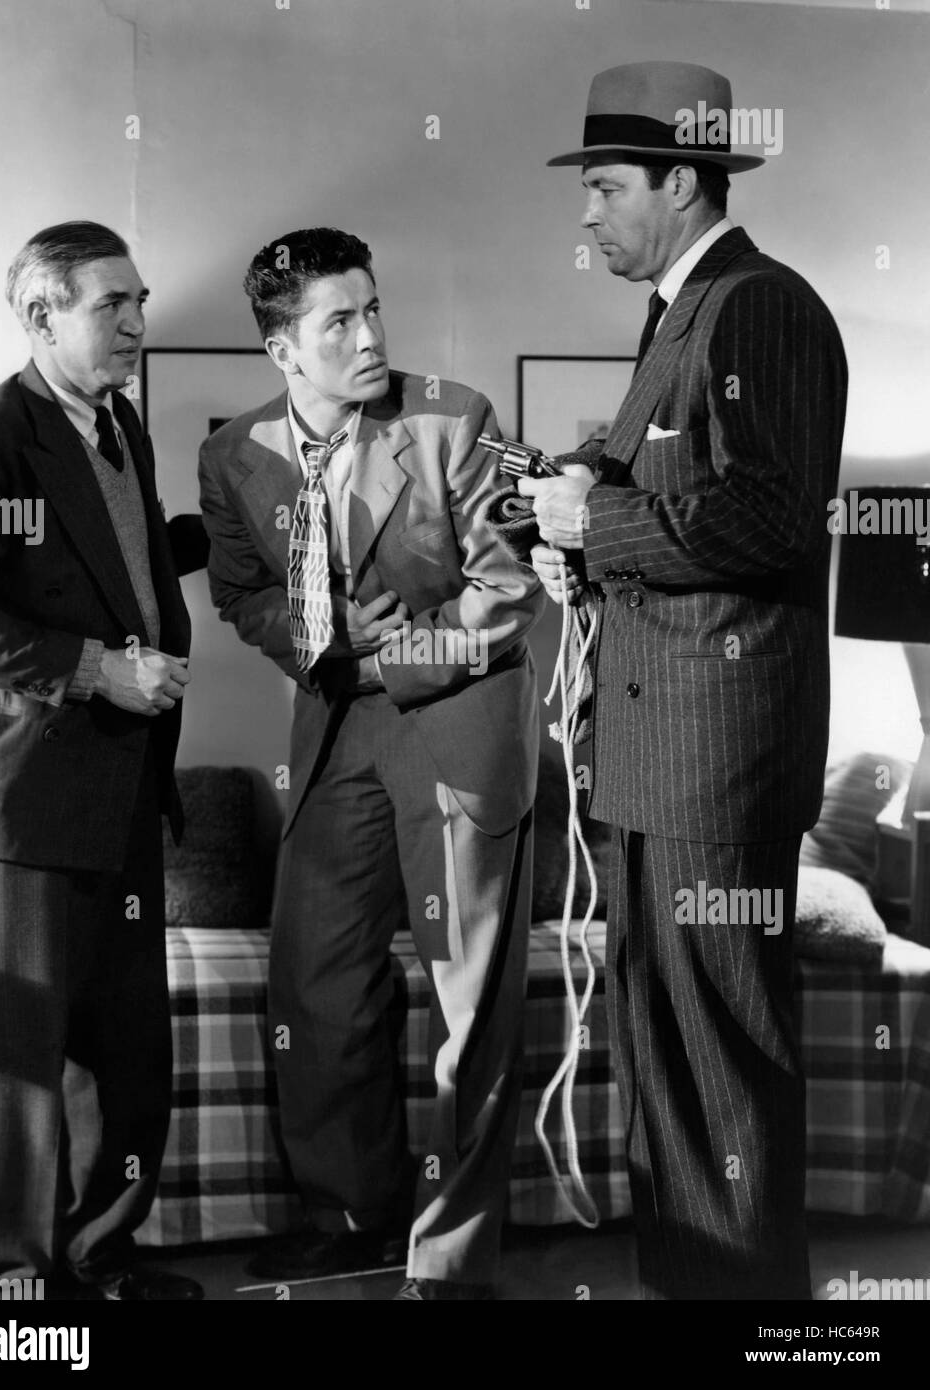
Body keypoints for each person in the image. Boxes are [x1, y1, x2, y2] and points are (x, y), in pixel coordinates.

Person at [521, 62, 848, 1300]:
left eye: (606, 186)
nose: (587, 213)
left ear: (680, 179)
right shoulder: (681, 312)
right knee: (662, 1049)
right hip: (663, 757)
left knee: (716, 1052)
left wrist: (591, 526)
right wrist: (571, 510)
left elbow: (767, 516)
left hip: (714, 761)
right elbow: (669, 493)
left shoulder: (755, 307)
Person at [199, 227, 544, 1300]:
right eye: (338, 321)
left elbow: (509, 589)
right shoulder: (231, 456)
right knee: (318, 983)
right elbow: (239, 590)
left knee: (468, 1010)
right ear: (281, 350)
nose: (370, 337)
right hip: (333, 731)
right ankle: (350, 1215)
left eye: (373, 309)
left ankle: (449, 1263)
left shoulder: (455, 418)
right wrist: (323, 630)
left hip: (454, 728)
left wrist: (396, 649)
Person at [0, 221, 204, 1300]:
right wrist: (98, 669)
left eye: (139, 299)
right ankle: (7, 1285)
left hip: (127, 786)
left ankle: (98, 1257)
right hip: (24, 797)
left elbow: (105, 561)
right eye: (112, 305)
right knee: (13, 1059)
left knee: (123, 1044)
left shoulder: (119, 424)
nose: (137, 323)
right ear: (41, 317)